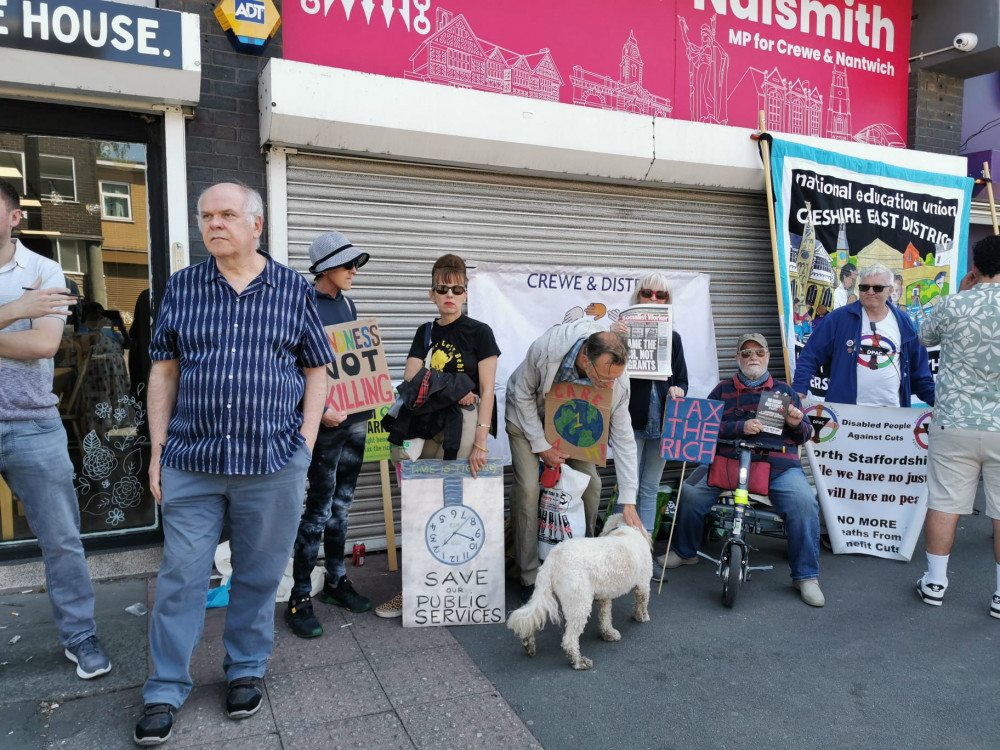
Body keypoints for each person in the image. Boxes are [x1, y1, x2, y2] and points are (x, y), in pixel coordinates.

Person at [133, 183, 331, 746]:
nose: (213, 224)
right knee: (180, 578)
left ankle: (245, 668)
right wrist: (158, 448)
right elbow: (164, 371)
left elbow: (317, 368)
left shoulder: (293, 290)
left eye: (226, 215)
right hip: (192, 461)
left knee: (258, 575)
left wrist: (306, 443)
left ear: (257, 224)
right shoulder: (184, 287)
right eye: (206, 216)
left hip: (272, 462)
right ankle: (165, 687)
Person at [0, 178, 112, 680]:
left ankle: (81, 637)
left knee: (62, 539)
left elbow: (43, 345)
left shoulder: (44, 270)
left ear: (13, 217)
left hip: (33, 423)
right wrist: (14, 313)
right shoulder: (27, 290)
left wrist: (28, 314)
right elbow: (23, 331)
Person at [376, 253, 500, 619]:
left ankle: (457, 586)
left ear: (466, 293)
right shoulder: (425, 332)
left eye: (456, 289)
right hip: (423, 425)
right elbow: (413, 386)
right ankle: (414, 589)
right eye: (442, 289)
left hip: (463, 427)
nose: (449, 294)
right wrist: (456, 386)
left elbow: (487, 391)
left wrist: (481, 440)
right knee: (420, 504)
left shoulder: (480, 332)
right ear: (431, 294)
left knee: (455, 503)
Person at [664, 333, 824, 606]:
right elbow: (704, 428)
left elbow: (806, 435)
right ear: (737, 358)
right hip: (728, 461)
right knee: (689, 492)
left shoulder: (784, 392)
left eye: (758, 353)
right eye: (746, 353)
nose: (753, 358)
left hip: (778, 466)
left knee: (804, 503)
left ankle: (805, 576)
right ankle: (684, 552)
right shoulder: (722, 391)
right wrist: (740, 427)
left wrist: (797, 423)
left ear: (767, 357)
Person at [506, 321, 642, 604]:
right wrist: (541, 446)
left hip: (571, 420)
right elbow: (522, 393)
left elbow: (624, 438)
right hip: (526, 414)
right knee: (529, 490)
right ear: (584, 359)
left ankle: (585, 561)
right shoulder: (548, 348)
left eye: (615, 378)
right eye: (604, 378)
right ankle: (529, 575)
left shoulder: (617, 380)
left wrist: (629, 500)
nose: (609, 385)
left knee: (591, 486)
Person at [285, 232, 374, 638]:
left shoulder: (347, 303)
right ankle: (300, 596)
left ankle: (336, 580)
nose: (354, 271)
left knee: (343, 504)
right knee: (318, 509)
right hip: (324, 425)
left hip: (355, 420)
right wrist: (318, 411)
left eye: (356, 264)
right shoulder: (300, 303)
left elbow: (350, 362)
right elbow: (287, 367)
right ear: (325, 267)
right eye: (347, 264)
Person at [916, 235, 1000, 618]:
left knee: (944, 503)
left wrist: (961, 293)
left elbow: (923, 336)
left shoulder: (952, 304)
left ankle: (935, 582)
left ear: (975, 266)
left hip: (954, 421)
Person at [610, 275, 688, 554]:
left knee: (650, 488)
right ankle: (620, 551)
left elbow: (682, 380)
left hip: (664, 422)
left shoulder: (674, 338)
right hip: (629, 421)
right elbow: (605, 374)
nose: (653, 299)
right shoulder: (619, 334)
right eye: (647, 293)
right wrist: (613, 338)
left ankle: (643, 552)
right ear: (637, 297)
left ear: (668, 300)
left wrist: (679, 390)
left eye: (661, 295)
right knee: (626, 488)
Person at [792, 263, 935, 407]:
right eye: (864, 287)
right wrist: (799, 389)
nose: (870, 292)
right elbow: (810, 356)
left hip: (893, 417)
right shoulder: (837, 319)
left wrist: (940, 403)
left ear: (890, 290)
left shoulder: (904, 323)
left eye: (877, 288)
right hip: (846, 415)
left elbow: (920, 375)